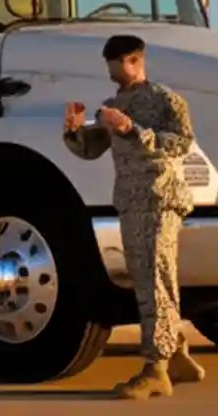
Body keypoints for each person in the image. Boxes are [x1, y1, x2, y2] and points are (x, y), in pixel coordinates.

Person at [63, 34, 206, 400]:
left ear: (135, 61)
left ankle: (156, 367)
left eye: (117, 65)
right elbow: (93, 148)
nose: (112, 73)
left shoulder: (164, 99)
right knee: (145, 278)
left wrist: (133, 130)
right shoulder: (116, 103)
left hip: (159, 199)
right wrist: (75, 131)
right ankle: (175, 352)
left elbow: (182, 141)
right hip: (130, 202)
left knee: (156, 277)